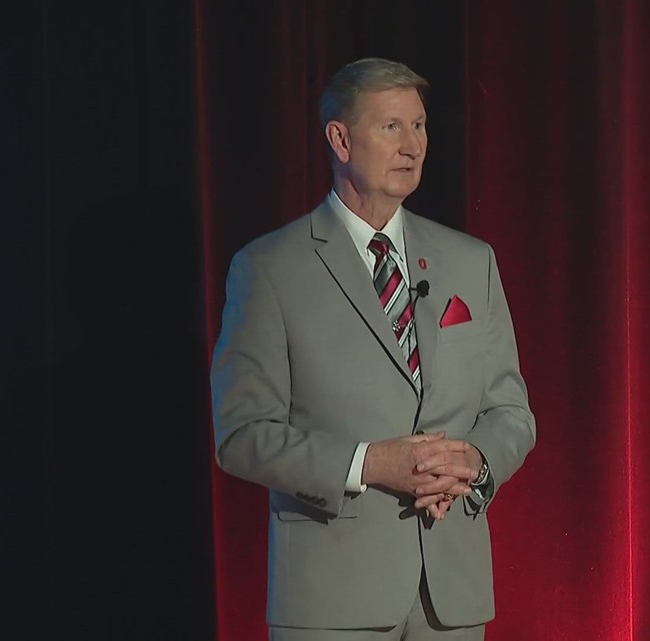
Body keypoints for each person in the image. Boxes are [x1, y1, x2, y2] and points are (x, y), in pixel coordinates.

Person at [210, 57, 535, 640]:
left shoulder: (471, 261)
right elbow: (242, 435)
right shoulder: (270, 269)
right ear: (340, 139)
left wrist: (474, 461)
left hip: (449, 598)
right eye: (391, 127)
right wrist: (368, 463)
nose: (413, 145)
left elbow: (511, 412)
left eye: (420, 125)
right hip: (332, 599)